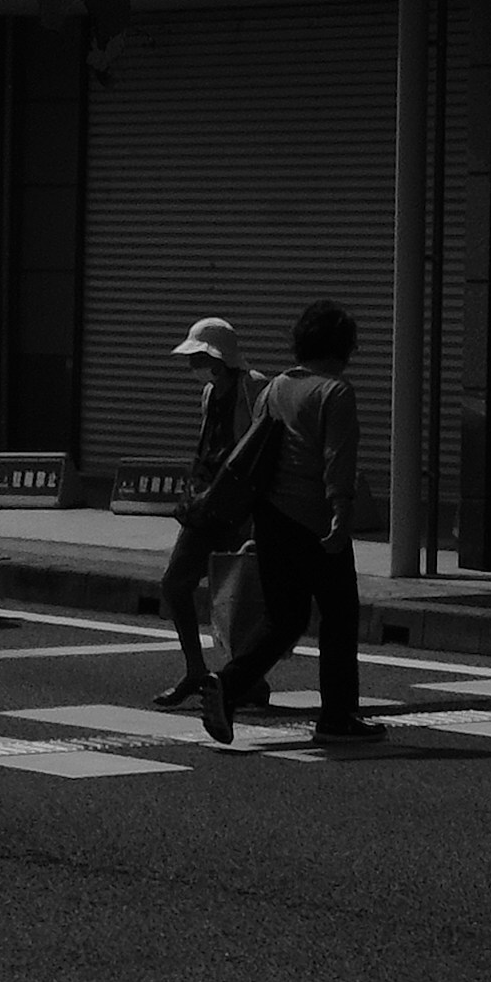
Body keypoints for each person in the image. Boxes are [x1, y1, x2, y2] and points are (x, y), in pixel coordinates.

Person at [201, 298, 367, 746]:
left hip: (271, 517)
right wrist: (341, 513)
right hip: (314, 520)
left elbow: (256, 452)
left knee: (284, 618)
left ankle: (229, 684)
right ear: (343, 346)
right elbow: (337, 459)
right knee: (338, 615)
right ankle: (337, 716)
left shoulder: (275, 388)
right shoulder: (336, 392)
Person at [156, 315, 264, 714]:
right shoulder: (209, 392)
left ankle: (248, 677)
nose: (193, 365)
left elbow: (259, 448)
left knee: (239, 595)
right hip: (206, 502)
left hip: (238, 507)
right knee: (175, 583)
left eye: (199, 356)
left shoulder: (252, 386)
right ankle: (195, 669)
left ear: (219, 357)